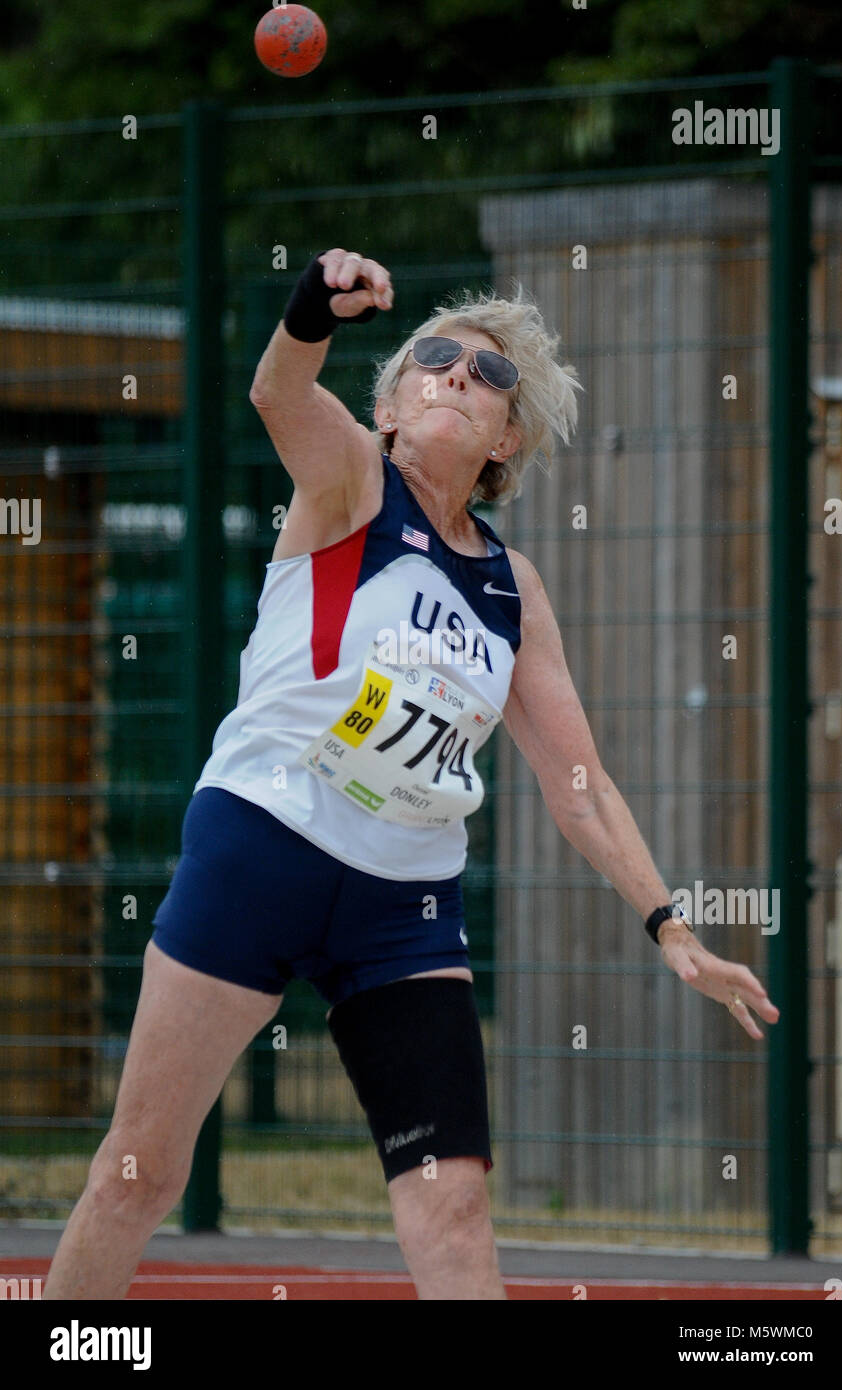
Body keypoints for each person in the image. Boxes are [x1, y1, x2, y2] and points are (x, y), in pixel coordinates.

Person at [44, 248, 779, 1302]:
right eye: (434, 359)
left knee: (451, 1198)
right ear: (389, 401)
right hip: (260, 846)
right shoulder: (351, 479)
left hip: (404, 901)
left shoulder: (508, 587)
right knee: (141, 1170)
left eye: (487, 378)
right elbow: (275, 389)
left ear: (506, 440)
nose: (455, 378)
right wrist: (312, 304)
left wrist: (669, 926)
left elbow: (578, 783)